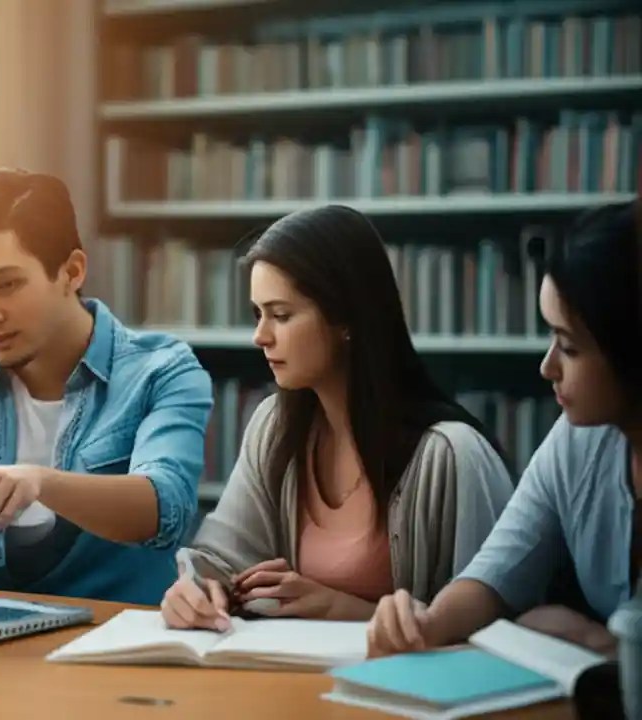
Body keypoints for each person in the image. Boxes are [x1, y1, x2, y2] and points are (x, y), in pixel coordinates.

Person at [161, 205, 514, 631]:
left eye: (281, 315)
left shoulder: (450, 455)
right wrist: (197, 588)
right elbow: (222, 558)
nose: (260, 336)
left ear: (346, 318)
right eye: (258, 314)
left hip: (398, 675)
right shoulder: (274, 427)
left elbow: (489, 628)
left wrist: (341, 609)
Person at [0, 168, 213, 605]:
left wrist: (43, 483)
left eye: (6, 285)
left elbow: (166, 508)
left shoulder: (162, 371)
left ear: (72, 271)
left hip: (116, 634)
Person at [369, 200, 641, 656]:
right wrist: (427, 623)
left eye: (569, 346)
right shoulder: (578, 441)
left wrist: (605, 647)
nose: (547, 367)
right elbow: (496, 573)